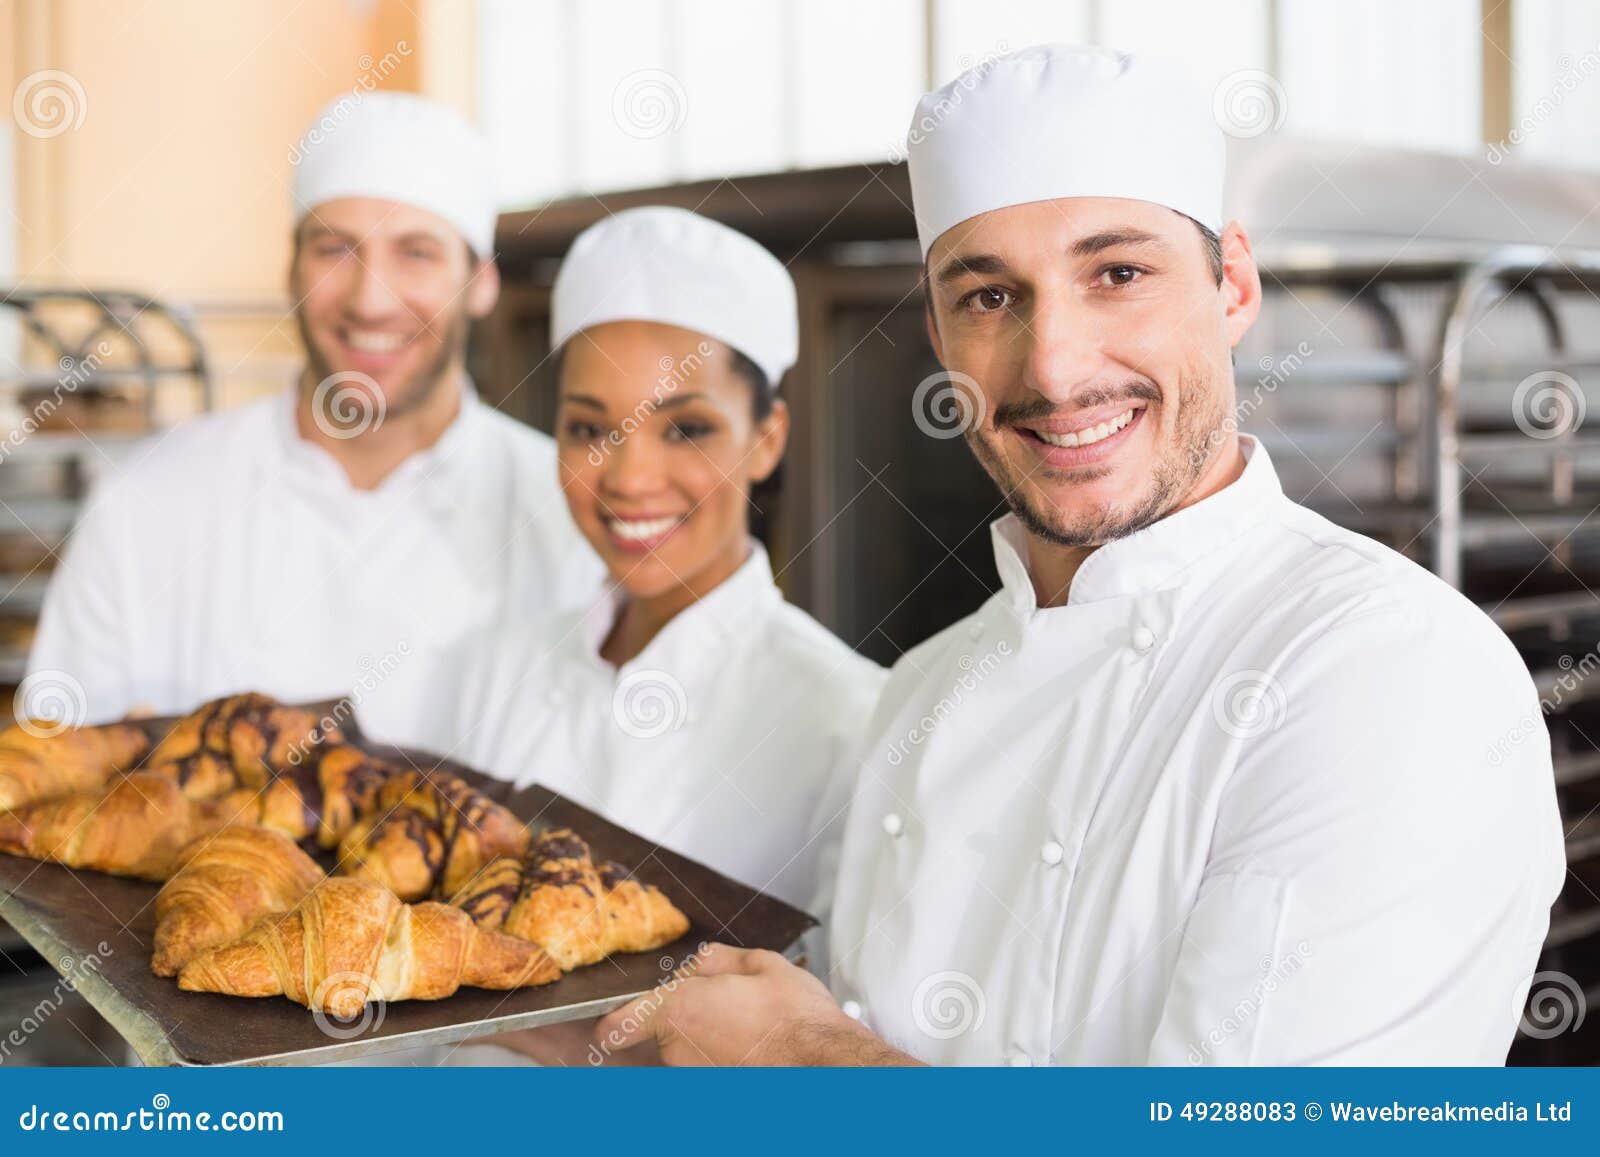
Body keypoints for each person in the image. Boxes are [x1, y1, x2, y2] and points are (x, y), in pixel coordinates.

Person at [584, 45, 1566, 1066]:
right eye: (989, 297)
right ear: (937, 333)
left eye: (1118, 274)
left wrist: (797, 1055)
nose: (1054, 367)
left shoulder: (1390, 672)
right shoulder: (922, 691)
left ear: (1231, 284)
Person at [27, 92, 598, 747]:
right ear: (291, 267)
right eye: (335, 249)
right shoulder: (145, 502)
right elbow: (56, 781)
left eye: (416, 252)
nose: (371, 298)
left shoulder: (568, 515)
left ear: (483, 282)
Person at [431, 206, 886, 914]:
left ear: (767, 438)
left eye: (685, 428)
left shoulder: (852, 722)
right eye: (590, 427)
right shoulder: (495, 669)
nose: (628, 478)